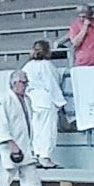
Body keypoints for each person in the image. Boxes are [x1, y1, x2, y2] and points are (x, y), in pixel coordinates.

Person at [0, 71, 42, 186]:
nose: (26, 85)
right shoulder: (3, 100)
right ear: (14, 83)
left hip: (26, 146)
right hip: (8, 147)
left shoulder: (27, 100)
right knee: (4, 181)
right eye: (23, 82)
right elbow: (0, 125)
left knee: (31, 179)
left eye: (26, 82)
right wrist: (11, 144)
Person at [21, 39, 67, 167]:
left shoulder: (27, 66)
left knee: (36, 130)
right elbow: (51, 84)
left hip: (32, 100)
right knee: (47, 129)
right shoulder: (46, 65)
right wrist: (61, 103)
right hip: (45, 99)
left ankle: (36, 154)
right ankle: (45, 157)